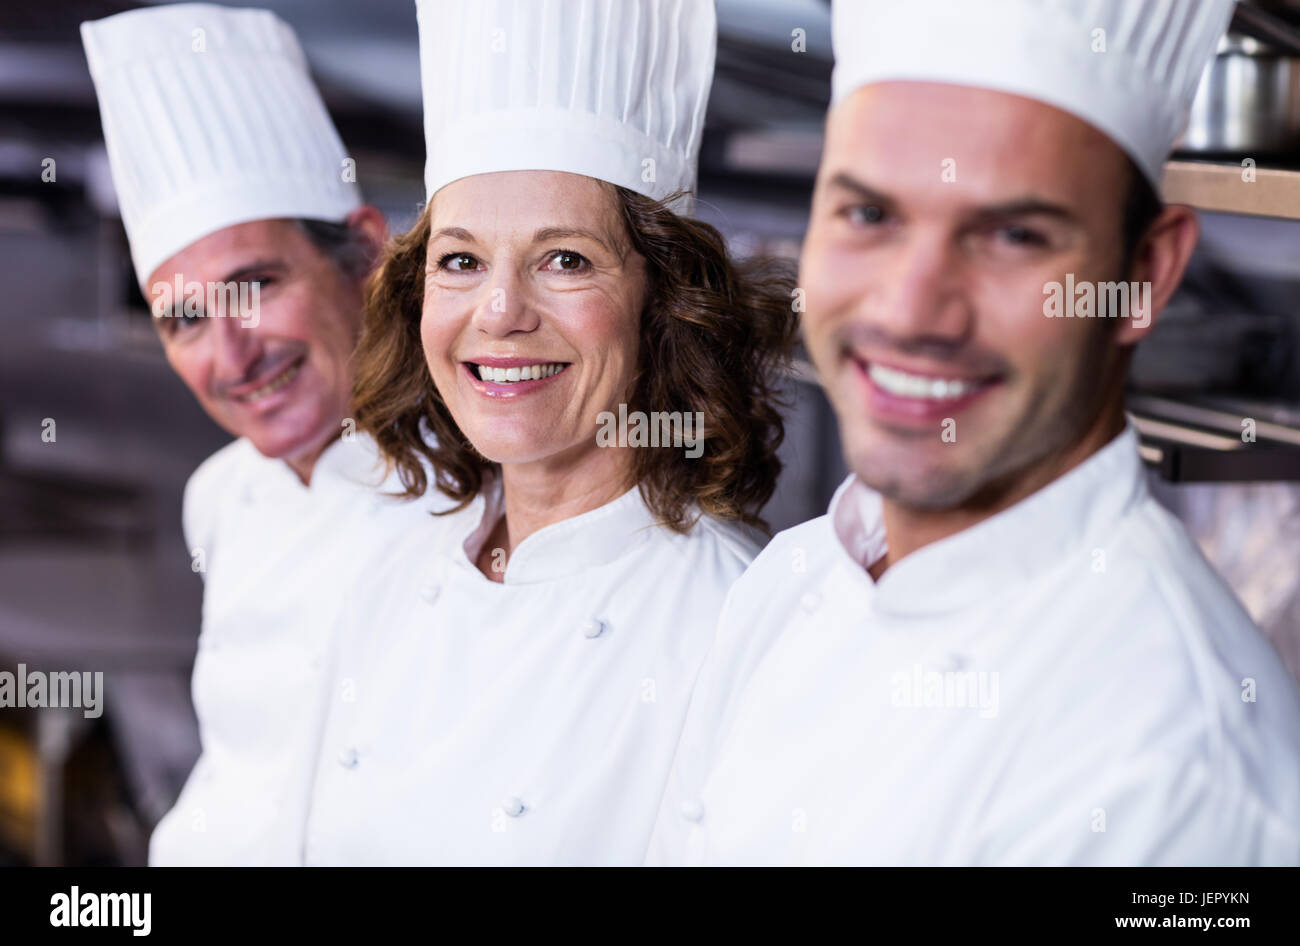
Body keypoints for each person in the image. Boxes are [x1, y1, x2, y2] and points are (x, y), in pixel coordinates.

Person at [648, 0, 1300, 865]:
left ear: (1144, 274)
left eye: (1012, 234)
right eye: (870, 215)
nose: (912, 307)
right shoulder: (795, 578)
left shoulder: (1171, 765)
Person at [298, 0, 797, 865]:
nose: (499, 312)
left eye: (565, 258)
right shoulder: (384, 579)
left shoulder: (737, 625)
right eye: (461, 260)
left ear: (665, 302)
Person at [82, 3, 444, 864]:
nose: (231, 355)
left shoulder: (490, 475)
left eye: (254, 286)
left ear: (364, 253)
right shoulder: (221, 498)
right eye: (185, 321)